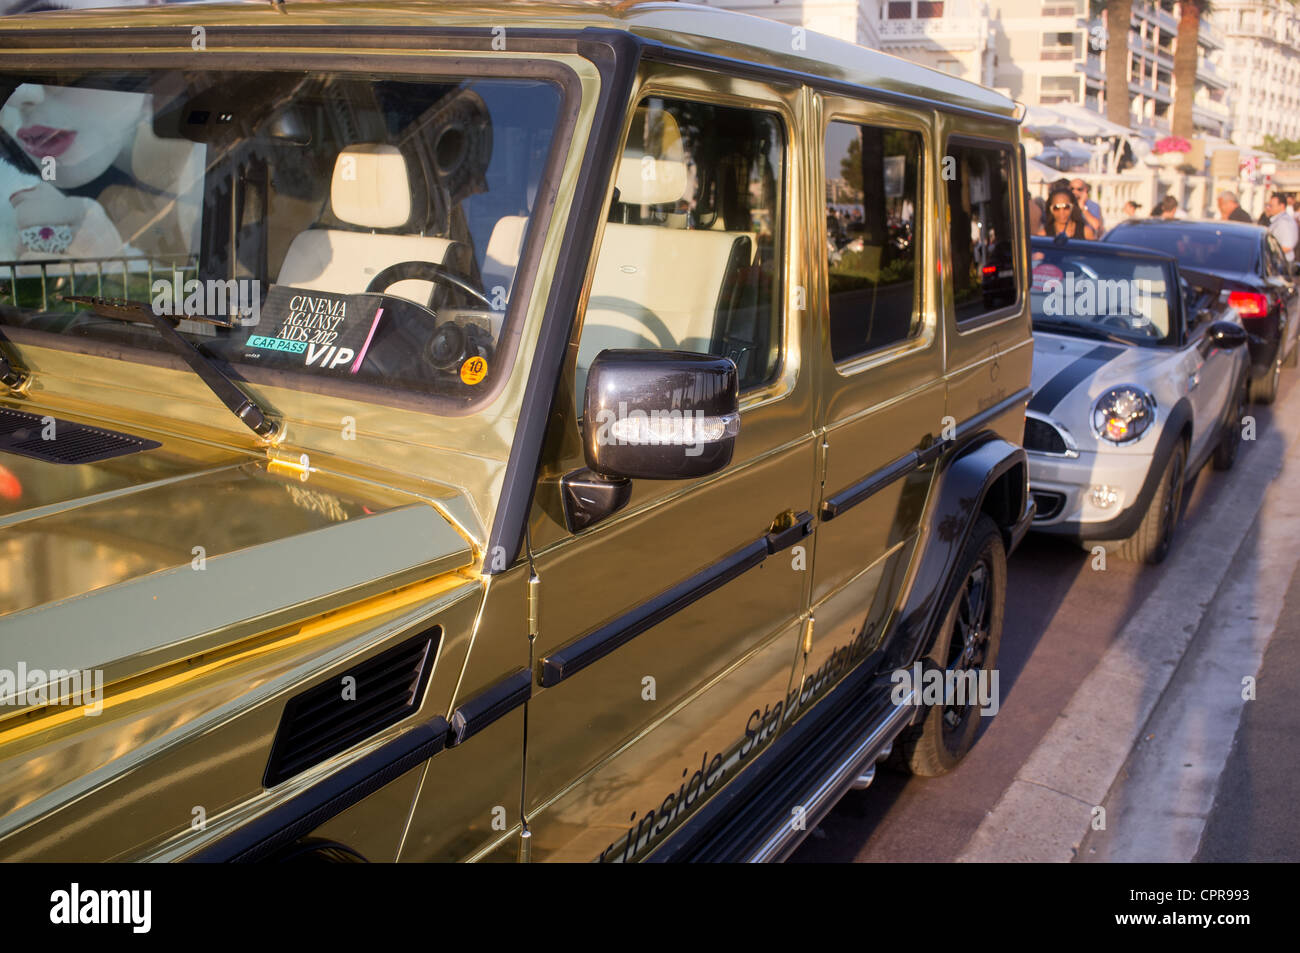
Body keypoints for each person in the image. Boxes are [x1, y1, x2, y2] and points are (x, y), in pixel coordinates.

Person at [1265, 191, 1298, 261]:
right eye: (1268, 205)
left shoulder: (1285, 223)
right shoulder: (1279, 220)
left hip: (1280, 265)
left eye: (1271, 206)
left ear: (1282, 206)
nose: (1268, 208)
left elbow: (1287, 247)